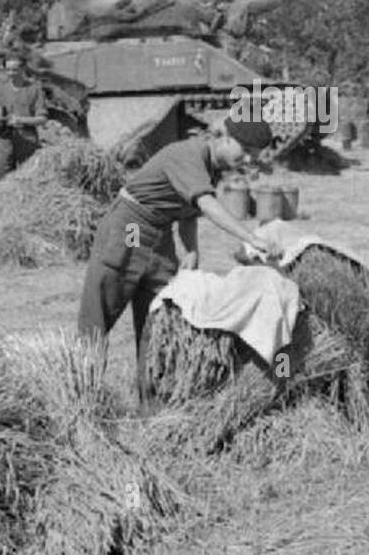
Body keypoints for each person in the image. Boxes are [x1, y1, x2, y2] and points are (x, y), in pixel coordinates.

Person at [77, 119, 277, 408]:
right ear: (224, 137)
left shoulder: (212, 168)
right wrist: (250, 237)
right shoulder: (188, 154)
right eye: (244, 150)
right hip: (129, 230)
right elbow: (205, 204)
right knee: (96, 321)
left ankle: (152, 411)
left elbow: (187, 212)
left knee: (159, 323)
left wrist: (192, 249)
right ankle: (84, 403)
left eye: (252, 157)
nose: (245, 160)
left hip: (160, 237)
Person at [0, 50, 48, 181]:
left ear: (23, 68)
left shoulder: (35, 89)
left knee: (28, 180)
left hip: (27, 140)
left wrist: (20, 120)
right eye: (8, 70)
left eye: (15, 70)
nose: (11, 74)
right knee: (0, 180)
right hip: (4, 140)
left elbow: (42, 119)